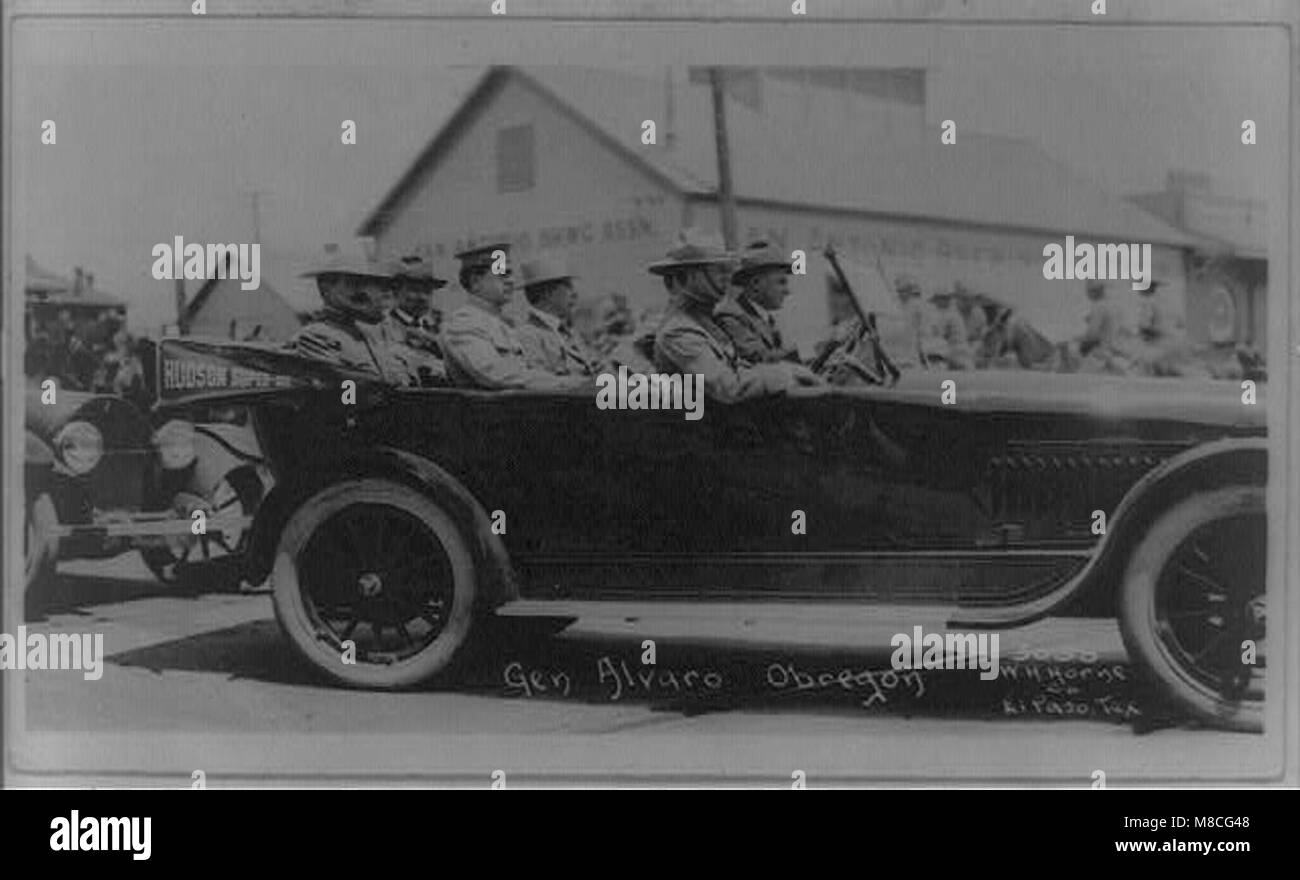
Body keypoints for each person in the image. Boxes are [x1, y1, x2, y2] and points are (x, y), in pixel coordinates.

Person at [650, 229, 819, 403]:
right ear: (685, 277)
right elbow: (728, 386)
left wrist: (788, 370)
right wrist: (786, 373)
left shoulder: (704, 323)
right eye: (718, 270)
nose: (726, 278)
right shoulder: (678, 331)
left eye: (726, 269)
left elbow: (739, 369)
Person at [439, 243, 584, 390]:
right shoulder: (463, 324)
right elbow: (496, 374)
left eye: (510, 274)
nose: (511, 281)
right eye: (502, 274)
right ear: (476, 282)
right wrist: (570, 383)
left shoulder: (502, 324)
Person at [291, 249, 426, 385]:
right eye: (356, 282)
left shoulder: (371, 335)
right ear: (327, 288)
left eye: (382, 284)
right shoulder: (315, 336)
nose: (383, 293)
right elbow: (343, 395)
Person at [714, 240, 800, 364]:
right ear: (755, 283)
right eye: (781, 282)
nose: (787, 291)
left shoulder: (763, 317)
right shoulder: (731, 317)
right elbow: (759, 358)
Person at [516, 252, 596, 376]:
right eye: (568, 286)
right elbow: (539, 383)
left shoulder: (568, 331)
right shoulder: (527, 335)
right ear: (547, 293)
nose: (574, 293)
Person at [924, 286, 973, 369]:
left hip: (955, 353)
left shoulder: (949, 315)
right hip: (956, 352)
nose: (937, 303)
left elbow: (940, 335)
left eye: (940, 299)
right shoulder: (951, 313)